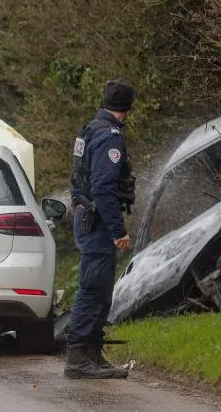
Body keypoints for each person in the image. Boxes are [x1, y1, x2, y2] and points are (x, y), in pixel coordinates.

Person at [65, 79, 137, 379]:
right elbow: (104, 188)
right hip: (98, 225)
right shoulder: (109, 137)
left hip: (88, 219)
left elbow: (79, 180)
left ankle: (93, 355)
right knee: (93, 289)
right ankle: (79, 358)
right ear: (128, 108)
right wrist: (118, 230)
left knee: (99, 290)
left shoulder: (89, 130)